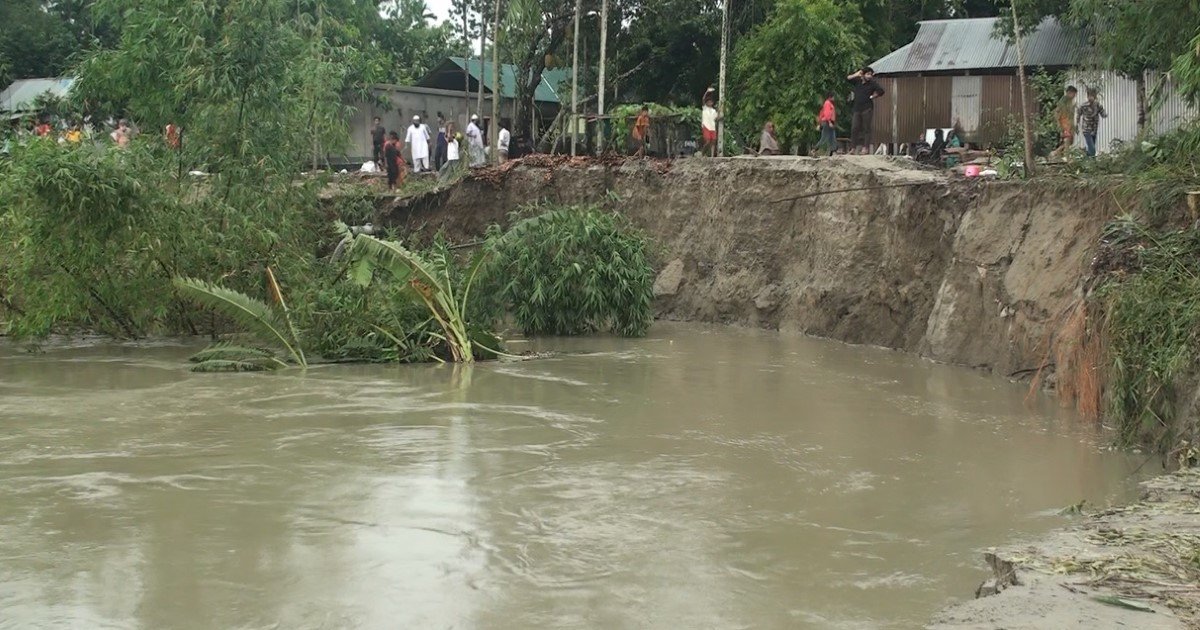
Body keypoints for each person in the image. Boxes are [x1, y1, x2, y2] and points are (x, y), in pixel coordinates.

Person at [847, 66, 884, 155]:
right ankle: (853, 148)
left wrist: (873, 96)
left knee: (866, 129)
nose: (869, 76)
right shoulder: (858, 82)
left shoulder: (872, 83)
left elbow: (881, 91)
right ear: (863, 75)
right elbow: (848, 78)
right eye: (867, 74)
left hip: (867, 108)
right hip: (857, 108)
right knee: (854, 128)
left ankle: (865, 148)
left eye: (870, 74)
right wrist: (856, 74)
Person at [1077, 88, 1108, 158]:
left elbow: (1102, 113)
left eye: (1092, 96)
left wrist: (1105, 114)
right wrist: (1077, 124)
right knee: (1092, 148)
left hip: (1094, 129)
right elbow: (1078, 114)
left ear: (1095, 96)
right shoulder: (1084, 105)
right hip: (1086, 129)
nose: (1090, 97)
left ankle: (1088, 160)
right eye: (1089, 96)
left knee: (1091, 148)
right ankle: (1091, 160)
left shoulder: (1098, 105)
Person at [1052, 85, 1078, 158]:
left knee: (1070, 141)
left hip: (1069, 125)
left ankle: (1059, 155)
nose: (1074, 96)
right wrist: (1059, 124)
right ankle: (1063, 156)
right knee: (1067, 140)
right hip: (1064, 124)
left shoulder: (1070, 101)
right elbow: (1057, 112)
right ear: (1069, 93)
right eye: (1074, 94)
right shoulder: (1063, 100)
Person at [816, 91, 837, 156]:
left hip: (830, 122)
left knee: (832, 137)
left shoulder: (829, 103)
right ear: (831, 97)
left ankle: (832, 151)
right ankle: (815, 149)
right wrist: (829, 122)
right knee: (824, 138)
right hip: (827, 122)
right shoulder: (827, 103)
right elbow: (827, 114)